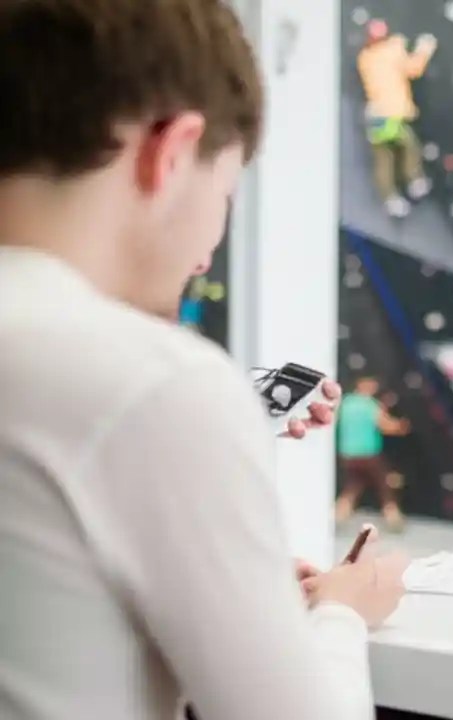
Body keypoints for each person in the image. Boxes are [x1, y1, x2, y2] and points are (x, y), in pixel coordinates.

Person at [0, 2, 406, 719]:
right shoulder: (155, 383)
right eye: (224, 194)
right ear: (173, 151)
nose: (209, 248)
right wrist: (341, 615)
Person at [356, 19, 436, 218]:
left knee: (384, 157)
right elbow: (413, 69)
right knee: (409, 145)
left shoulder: (365, 57)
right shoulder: (392, 50)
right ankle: (413, 181)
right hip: (391, 113)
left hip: (375, 113)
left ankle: (390, 197)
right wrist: (424, 49)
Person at [336, 376, 413, 532]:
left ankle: (338, 514)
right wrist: (402, 426)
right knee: (384, 485)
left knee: (353, 484)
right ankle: (393, 517)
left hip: (347, 452)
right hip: (367, 452)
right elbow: (385, 425)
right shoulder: (370, 405)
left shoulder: (345, 403)